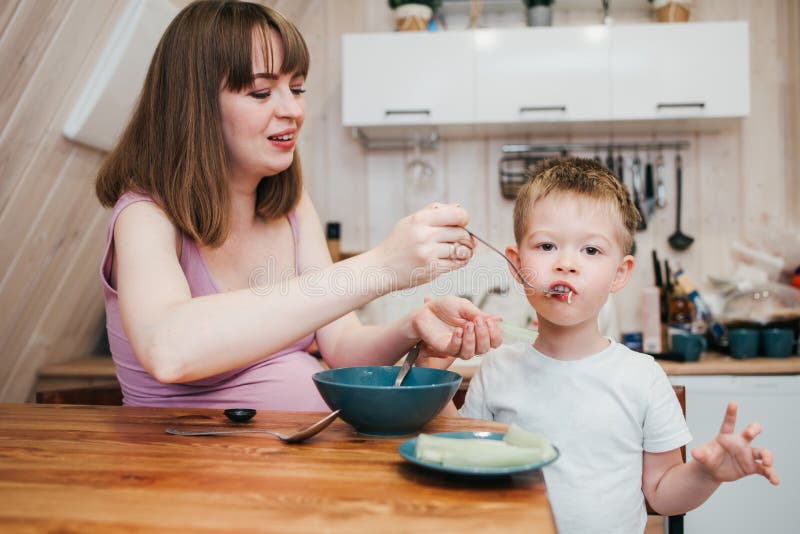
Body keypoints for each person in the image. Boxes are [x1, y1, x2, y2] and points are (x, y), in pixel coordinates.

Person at [95, 0, 500, 409]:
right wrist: (383, 264)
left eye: (297, 87)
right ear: (194, 106)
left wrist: (412, 326)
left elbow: (342, 347)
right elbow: (170, 350)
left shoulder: (289, 207)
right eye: (260, 92)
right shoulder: (143, 215)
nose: (292, 110)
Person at [454, 157, 779, 533]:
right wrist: (433, 362)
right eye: (546, 246)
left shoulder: (642, 376)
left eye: (590, 251)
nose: (566, 263)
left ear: (619, 274)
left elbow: (661, 493)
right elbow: (466, 466)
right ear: (515, 265)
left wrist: (708, 475)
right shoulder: (496, 370)